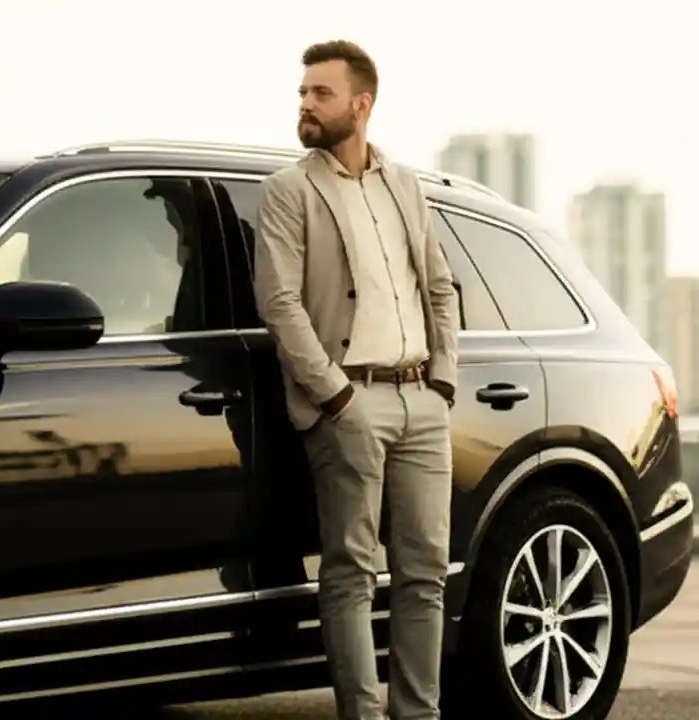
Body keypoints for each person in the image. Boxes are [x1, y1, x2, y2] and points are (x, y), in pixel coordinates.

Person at [253, 39, 460, 720]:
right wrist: (336, 394)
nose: (306, 106)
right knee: (350, 573)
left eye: (321, 94)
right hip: (351, 402)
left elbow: (438, 285)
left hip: (420, 401)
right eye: (303, 94)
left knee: (425, 573)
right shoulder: (289, 191)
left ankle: (418, 713)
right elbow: (278, 302)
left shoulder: (404, 184)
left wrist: (443, 382)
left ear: (361, 104)